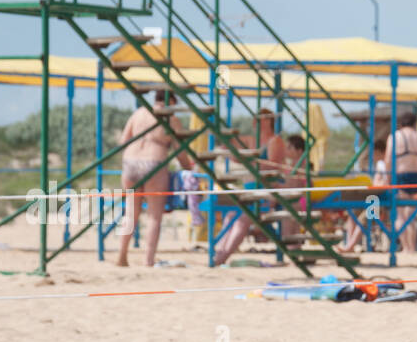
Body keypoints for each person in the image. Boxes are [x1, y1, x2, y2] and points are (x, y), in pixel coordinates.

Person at [118, 90, 193, 267]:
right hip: (154, 162)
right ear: (171, 101)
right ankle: (148, 259)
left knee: (131, 212)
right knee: (154, 215)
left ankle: (122, 255)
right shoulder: (171, 119)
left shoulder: (138, 113)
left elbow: (123, 141)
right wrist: (188, 168)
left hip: (130, 162)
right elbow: (180, 151)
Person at [212, 110, 290, 266]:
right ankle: (219, 251)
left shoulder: (275, 141)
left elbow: (271, 168)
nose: (255, 123)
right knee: (231, 215)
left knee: (242, 219)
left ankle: (223, 256)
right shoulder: (252, 140)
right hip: (251, 188)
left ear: (268, 121)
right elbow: (237, 154)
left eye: (259, 120)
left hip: (265, 190)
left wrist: (248, 161)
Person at [385, 110, 417, 253]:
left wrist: (388, 181)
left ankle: (406, 247)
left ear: (400, 123)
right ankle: (411, 247)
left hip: (400, 177)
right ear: (415, 123)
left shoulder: (395, 137)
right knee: (411, 215)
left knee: (400, 214)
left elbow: (388, 160)